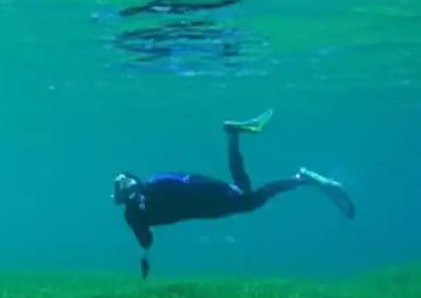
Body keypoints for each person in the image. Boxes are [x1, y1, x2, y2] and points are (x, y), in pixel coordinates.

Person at [111, 108, 356, 280]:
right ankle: (238, 140)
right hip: (203, 195)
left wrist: (145, 256)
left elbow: (147, 239)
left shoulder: (134, 211)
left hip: (205, 203)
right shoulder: (149, 189)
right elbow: (181, 179)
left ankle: (300, 178)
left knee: (248, 200)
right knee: (244, 194)